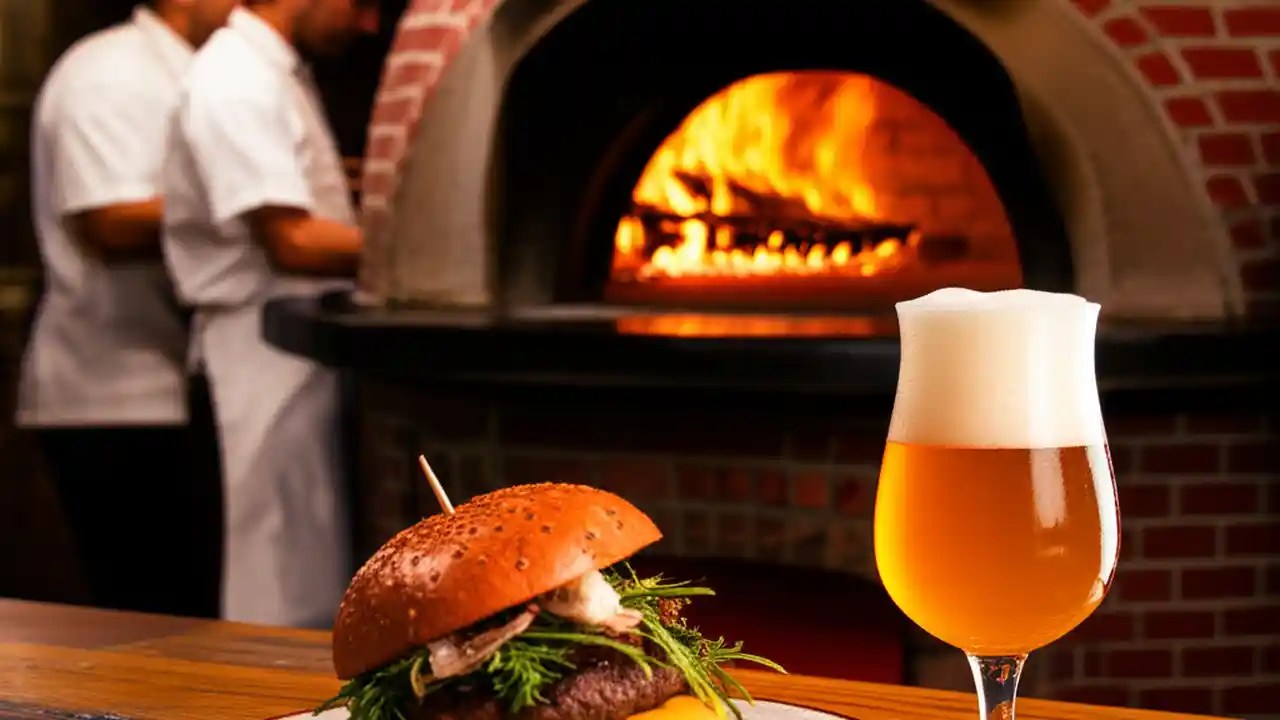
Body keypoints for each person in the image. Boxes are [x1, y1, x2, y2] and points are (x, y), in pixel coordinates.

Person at [17, 0, 239, 619]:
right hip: (113, 395)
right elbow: (108, 220)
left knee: (188, 613)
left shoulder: (189, 71)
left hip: (167, 388)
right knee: (152, 614)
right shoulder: (111, 71)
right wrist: (262, 210)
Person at [162, 0, 379, 628]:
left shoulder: (269, 71)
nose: (368, 23)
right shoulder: (234, 77)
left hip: (285, 350)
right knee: (272, 586)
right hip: (253, 353)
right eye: (359, 4)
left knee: (305, 570)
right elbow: (294, 242)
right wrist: (426, 250)